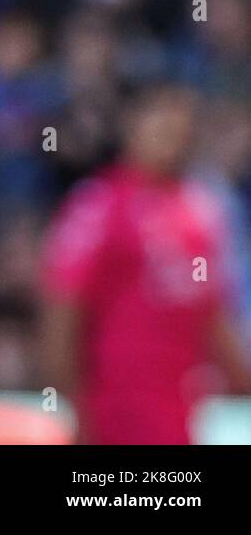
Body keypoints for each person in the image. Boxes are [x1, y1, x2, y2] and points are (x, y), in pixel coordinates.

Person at [41, 83, 251, 444]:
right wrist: (72, 405)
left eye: (181, 125)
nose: (172, 133)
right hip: (111, 418)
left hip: (179, 420)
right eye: (160, 120)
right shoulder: (98, 205)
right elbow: (62, 312)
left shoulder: (202, 211)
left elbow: (214, 316)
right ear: (131, 125)